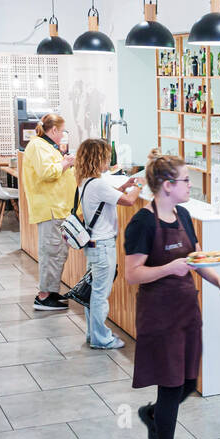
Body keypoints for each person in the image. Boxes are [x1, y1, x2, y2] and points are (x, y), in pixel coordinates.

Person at [125, 153, 220, 439]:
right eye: (186, 180)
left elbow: (196, 259)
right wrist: (168, 269)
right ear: (168, 186)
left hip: (187, 311)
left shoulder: (184, 215)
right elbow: (132, 274)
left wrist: (219, 281)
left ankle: (154, 415)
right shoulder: (142, 223)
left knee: (188, 381)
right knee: (171, 385)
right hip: (159, 316)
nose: (191, 185)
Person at [73, 138, 140, 348]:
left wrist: (124, 186)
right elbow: (129, 201)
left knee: (94, 292)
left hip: (94, 244)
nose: (108, 161)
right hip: (103, 246)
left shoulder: (86, 181)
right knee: (100, 295)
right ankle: (101, 339)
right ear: (97, 158)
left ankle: (93, 334)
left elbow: (108, 197)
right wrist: (138, 185)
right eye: (105, 156)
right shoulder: (99, 183)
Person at [20, 113, 76, 311]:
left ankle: (51, 292)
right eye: (62, 131)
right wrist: (66, 162)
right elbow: (47, 172)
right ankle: (44, 296)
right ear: (53, 130)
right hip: (50, 207)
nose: (62, 135)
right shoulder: (37, 146)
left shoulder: (45, 146)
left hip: (57, 207)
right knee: (51, 252)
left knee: (57, 252)